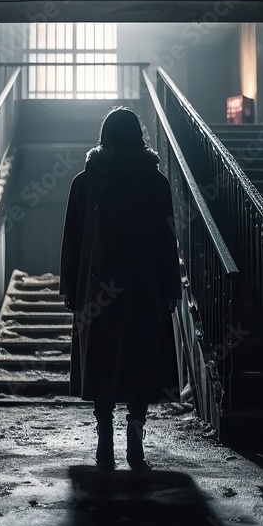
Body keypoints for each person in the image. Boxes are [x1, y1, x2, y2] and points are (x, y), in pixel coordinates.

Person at [60, 106, 182, 471]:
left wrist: (71, 290)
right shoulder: (155, 183)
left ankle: (105, 443)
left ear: (105, 137)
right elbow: (166, 240)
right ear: (139, 137)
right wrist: (169, 289)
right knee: (141, 363)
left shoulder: (84, 182)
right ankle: (134, 443)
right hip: (143, 287)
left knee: (101, 363)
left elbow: (73, 241)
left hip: (98, 292)